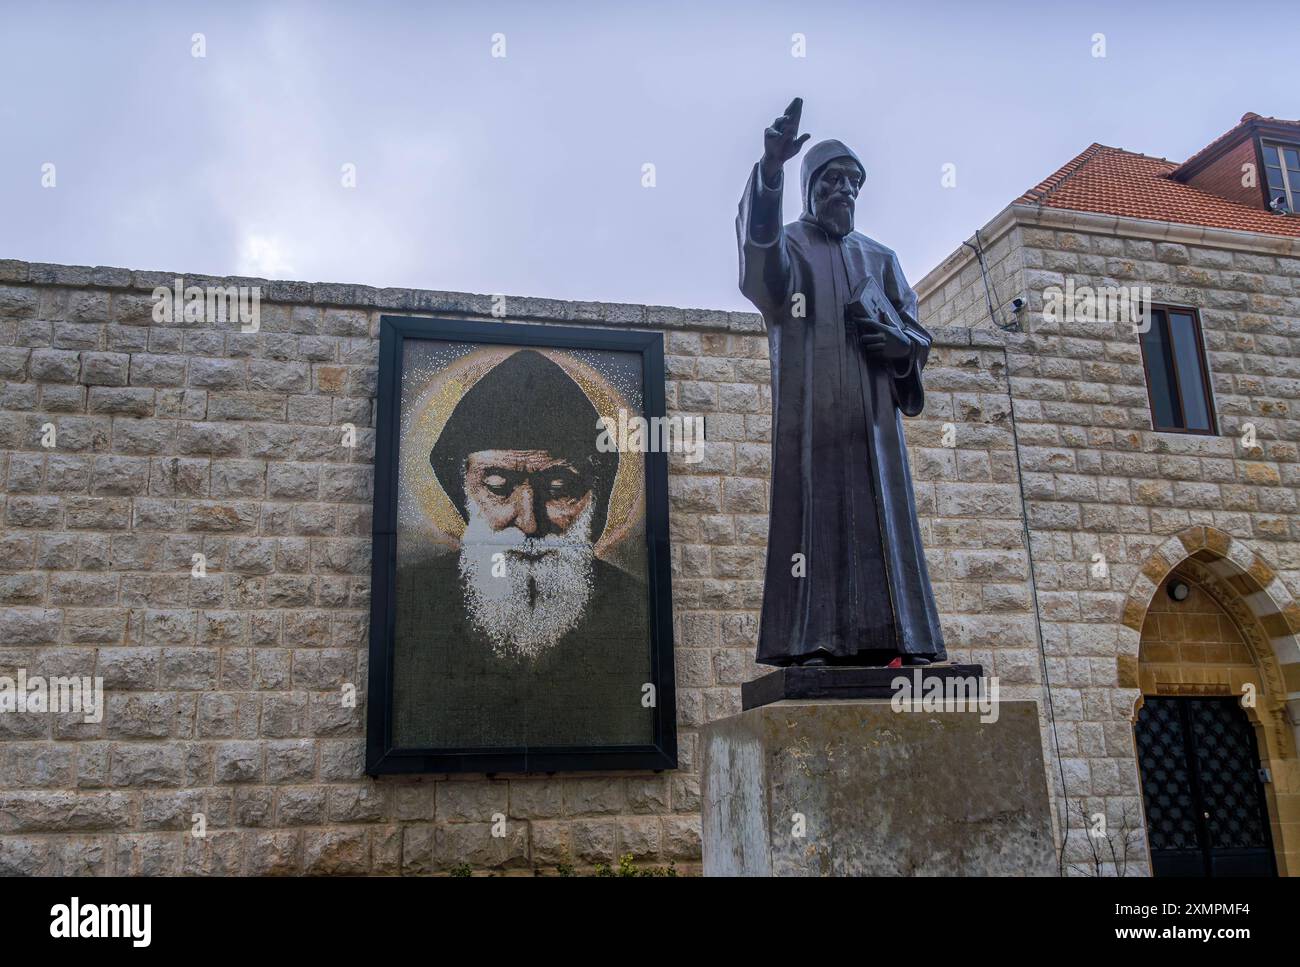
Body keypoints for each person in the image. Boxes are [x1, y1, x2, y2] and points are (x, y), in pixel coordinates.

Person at [737, 97, 946, 667]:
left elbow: (916, 333)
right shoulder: (792, 247)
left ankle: (897, 641)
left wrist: (905, 349)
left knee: (885, 526)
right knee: (816, 524)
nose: (844, 192)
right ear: (811, 187)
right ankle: (813, 641)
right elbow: (760, 264)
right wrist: (771, 171)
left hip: (874, 429)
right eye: (832, 180)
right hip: (815, 425)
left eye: (854, 183)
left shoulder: (880, 258)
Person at [392, 349, 651, 748]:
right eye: (498, 487)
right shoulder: (408, 603)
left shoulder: (635, 609)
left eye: (560, 489)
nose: (529, 522)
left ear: (595, 496)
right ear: (463, 491)